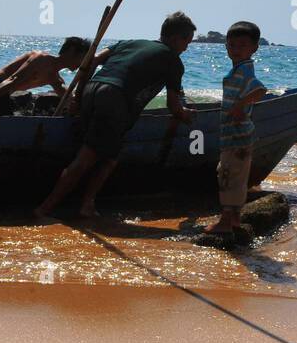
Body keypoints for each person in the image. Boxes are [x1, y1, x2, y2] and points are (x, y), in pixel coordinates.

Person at [34, 11, 197, 220]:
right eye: (187, 43)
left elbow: (91, 62)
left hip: (93, 89)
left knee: (110, 158)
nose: (186, 48)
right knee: (85, 158)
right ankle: (44, 209)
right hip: (114, 98)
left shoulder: (129, 42)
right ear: (177, 38)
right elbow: (173, 106)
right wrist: (185, 114)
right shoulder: (173, 60)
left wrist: (79, 95)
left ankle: (87, 205)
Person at [204, 21, 267, 236]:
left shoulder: (244, 70)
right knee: (237, 177)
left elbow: (260, 90)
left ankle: (225, 221)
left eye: (241, 45)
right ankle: (235, 220)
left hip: (237, 136)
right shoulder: (240, 69)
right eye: (231, 45)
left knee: (228, 176)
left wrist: (240, 106)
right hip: (238, 136)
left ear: (254, 48)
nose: (235, 50)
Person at [0, 36, 90, 115]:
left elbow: (68, 98)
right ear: (71, 51)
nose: (83, 62)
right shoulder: (41, 59)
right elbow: (13, 79)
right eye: (83, 57)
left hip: (4, 95)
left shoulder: (54, 78)